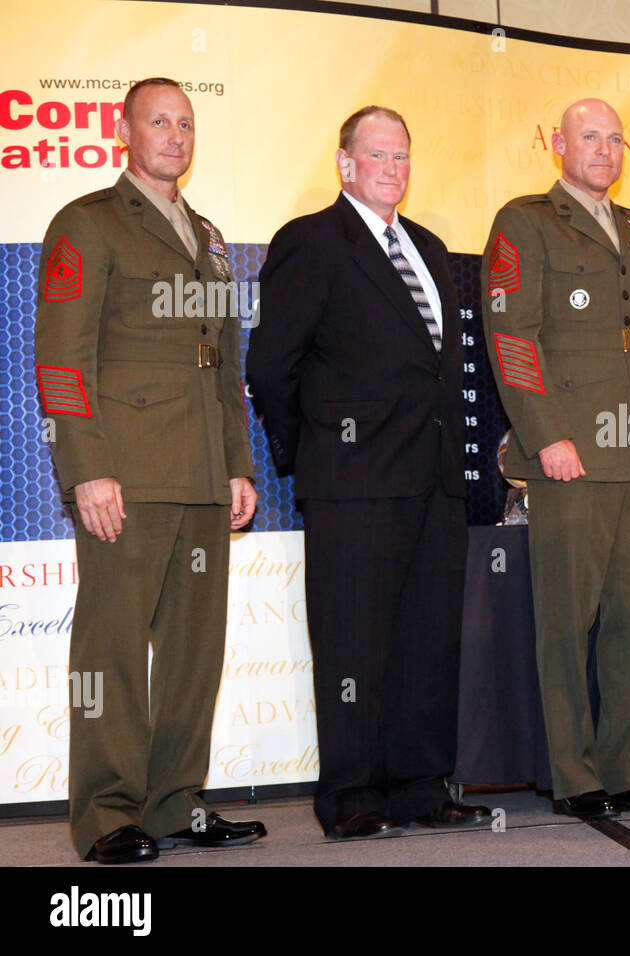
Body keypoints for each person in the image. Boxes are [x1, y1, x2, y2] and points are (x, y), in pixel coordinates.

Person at [33, 77, 265, 863]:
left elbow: (222, 363)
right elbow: (62, 360)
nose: (174, 136)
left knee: (195, 654)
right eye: (159, 122)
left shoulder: (208, 236)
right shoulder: (89, 223)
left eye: (186, 124)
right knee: (113, 651)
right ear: (123, 129)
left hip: (201, 472)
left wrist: (237, 464)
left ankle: (175, 804)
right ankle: (105, 815)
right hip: (126, 475)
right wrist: (87, 471)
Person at [247, 105, 488, 838]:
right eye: (379, 156)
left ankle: (421, 787)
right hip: (353, 482)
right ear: (345, 164)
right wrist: (316, 452)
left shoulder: (431, 246)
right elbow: (271, 365)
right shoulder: (311, 242)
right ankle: (351, 794)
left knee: (427, 641)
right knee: (354, 643)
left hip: (436, 480)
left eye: (403, 157)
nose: (393, 169)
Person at [481, 99, 630, 819]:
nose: (604, 149)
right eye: (589, 137)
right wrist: (546, 434)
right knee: (568, 621)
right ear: (560, 143)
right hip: (571, 448)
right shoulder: (526, 219)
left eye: (615, 139)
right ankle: (575, 775)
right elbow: (512, 333)